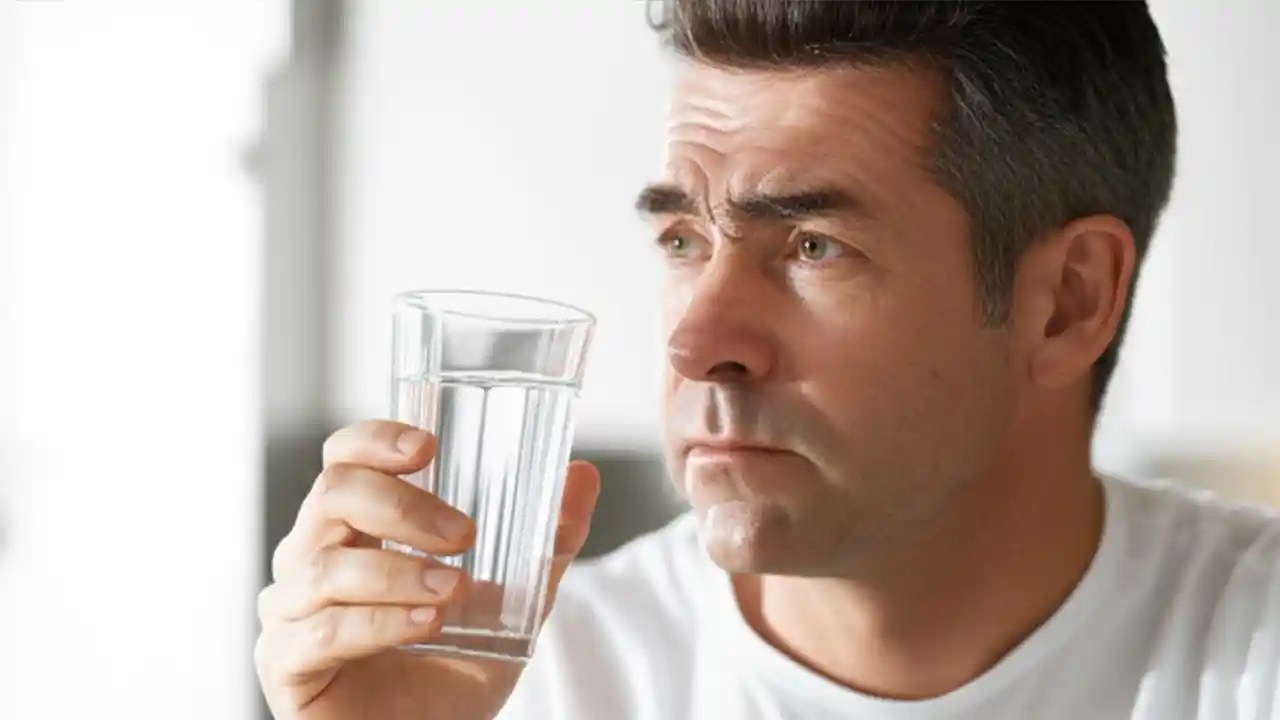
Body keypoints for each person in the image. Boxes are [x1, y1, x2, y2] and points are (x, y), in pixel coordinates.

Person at [254, 2, 1280, 718]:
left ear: (1066, 302)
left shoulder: (1250, 656)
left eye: (811, 247)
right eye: (682, 242)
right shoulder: (525, 685)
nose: (693, 346)